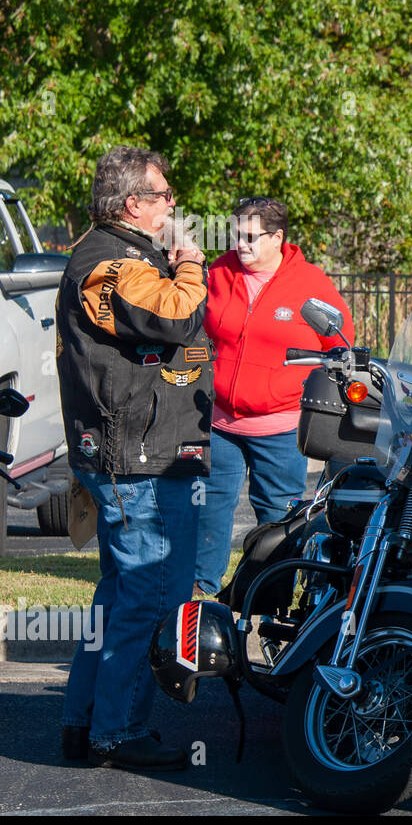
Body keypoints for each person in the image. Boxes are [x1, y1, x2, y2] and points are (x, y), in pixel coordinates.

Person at [57, 145, 211, 771]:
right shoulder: (107, 261)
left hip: (133, 450)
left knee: (118, 593)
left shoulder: (119, 254)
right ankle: (113, 733)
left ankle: (82, 721)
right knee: (142, 597)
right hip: (133, 456)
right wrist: (193, 263)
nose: (174, 204)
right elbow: (173, 316)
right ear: (134, 204)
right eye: (165, 195)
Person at [193, 197, 354, 596]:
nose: (240, 245)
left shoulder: (310, 283)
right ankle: (198, 593)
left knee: (278, 518)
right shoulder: (219, 273)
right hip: (220, 423)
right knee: (209, 512)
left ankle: (273, 595)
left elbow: (342, 345)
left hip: (281, 428)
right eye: (235, 235)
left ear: (277, 237)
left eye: (250, 237)